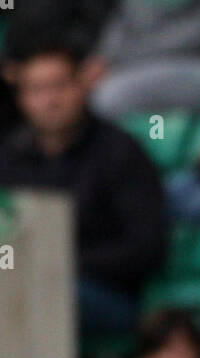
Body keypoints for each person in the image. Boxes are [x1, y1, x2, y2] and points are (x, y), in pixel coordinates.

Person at [0, 30, 168, 339]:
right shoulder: (9, 158)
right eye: (37, 89)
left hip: (106, 296)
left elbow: (147, 248)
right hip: (20, 284)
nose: (49, 100)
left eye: (59, 86)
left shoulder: (121, 151)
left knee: (38, 297)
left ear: (82, 85)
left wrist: (61, 265)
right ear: (22, 99)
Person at [90, 0, 200, 118]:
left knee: (108, 96)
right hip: (135, 65)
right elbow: (121, 22)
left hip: (198, 64)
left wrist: (130, 56)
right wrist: (104, 57)